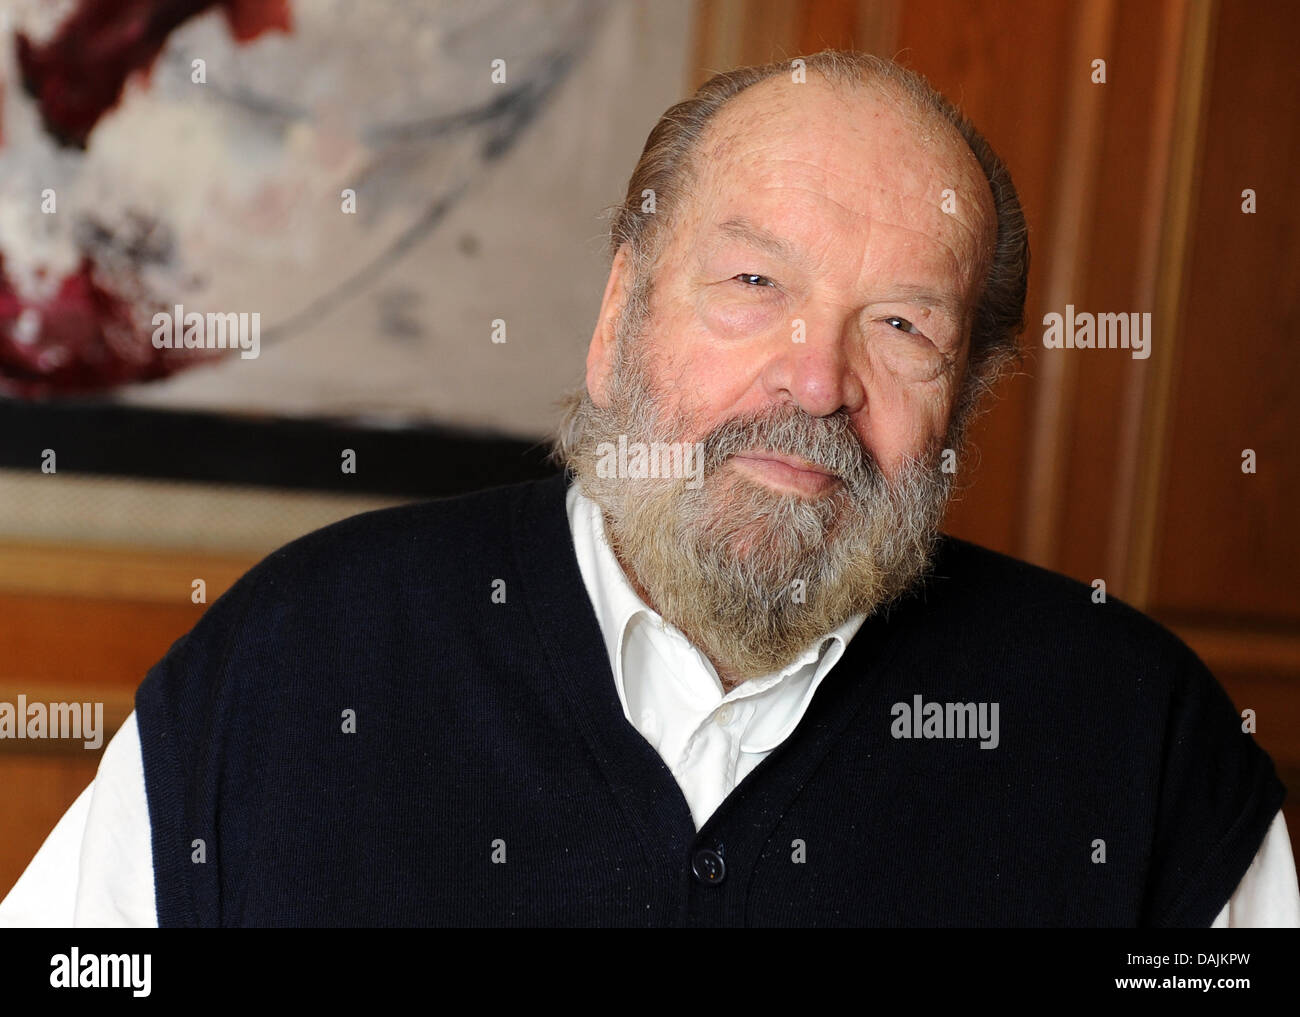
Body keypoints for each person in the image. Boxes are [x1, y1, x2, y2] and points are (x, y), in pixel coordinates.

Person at [2, 50, 1295, 927]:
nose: (816, 379)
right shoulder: (290, 660)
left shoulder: (1144, 745)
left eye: (903, 326)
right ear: (619, 311)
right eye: (752, 285)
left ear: (969, 397)